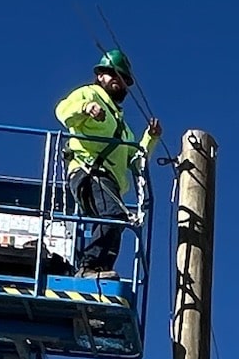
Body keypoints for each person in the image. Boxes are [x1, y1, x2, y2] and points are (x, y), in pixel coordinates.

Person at [55, 49, 162, 277]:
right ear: (100, 75)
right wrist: (85, 108)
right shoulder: (89, 94)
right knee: (114, 216)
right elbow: (63, 111)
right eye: (112, 74)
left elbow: (137, 161)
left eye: (122, 77)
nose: (117, 80)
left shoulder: (123, 128)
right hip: (88, 172)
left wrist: (150, 138)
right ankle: (90, 267)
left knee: (115, 218)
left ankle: (98, 268)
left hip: (108, 181)